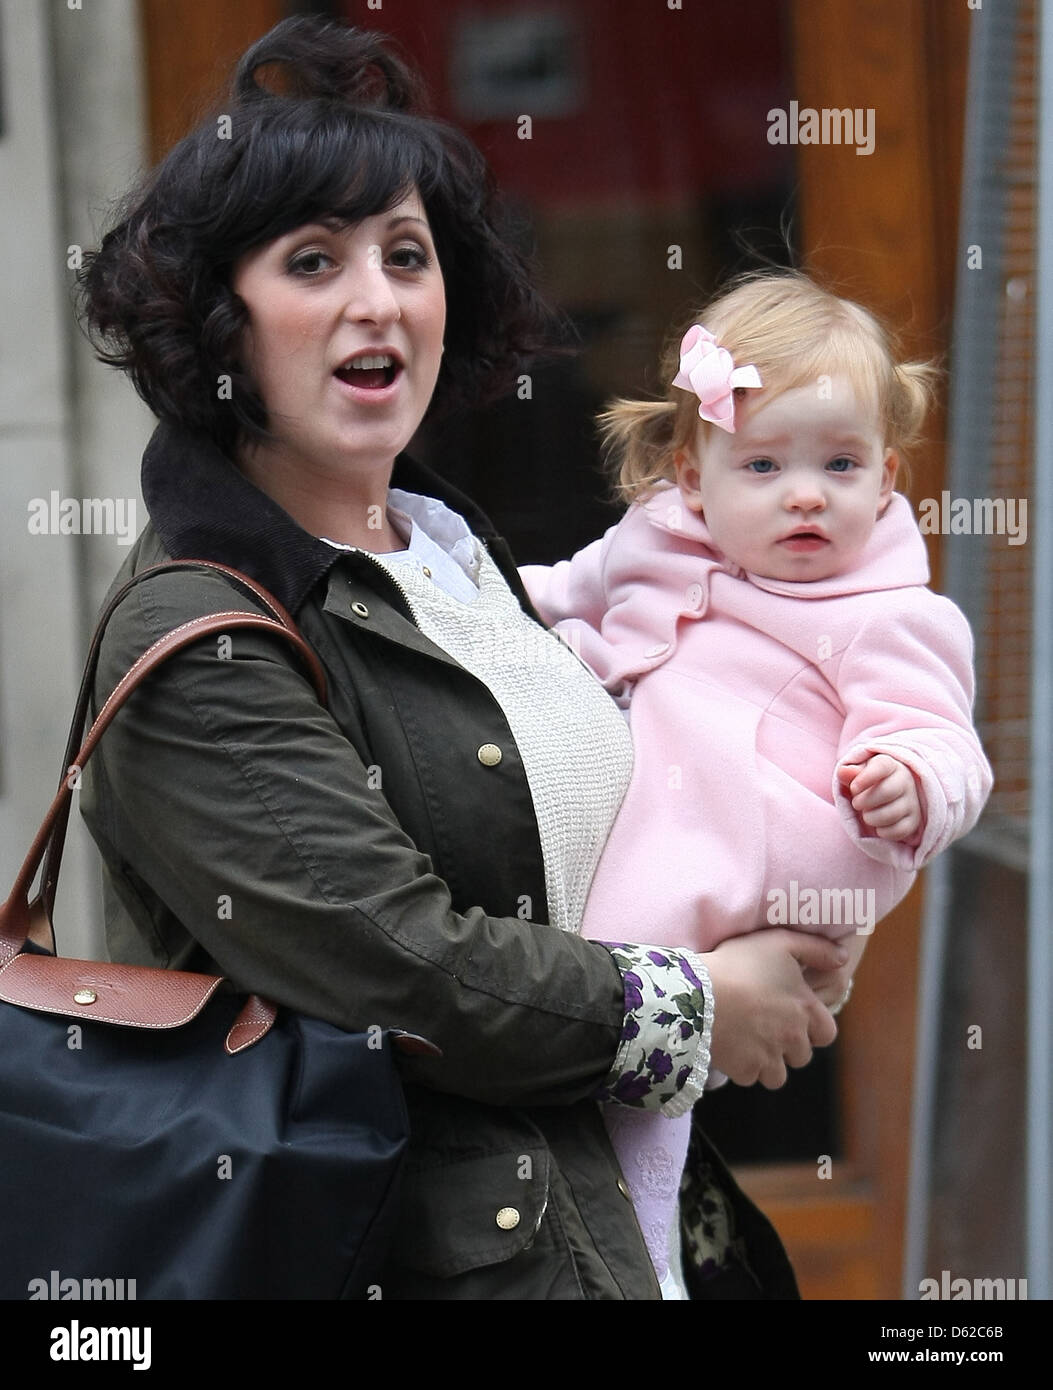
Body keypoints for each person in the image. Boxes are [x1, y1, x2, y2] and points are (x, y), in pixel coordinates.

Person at [75, 18, 847, 1300]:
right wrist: (701, 1008)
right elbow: (402, 963)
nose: (376, 297)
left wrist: (801, 898)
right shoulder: (197, 636)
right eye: (313, 261)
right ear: (218, 322)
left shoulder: (454, 558)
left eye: (407, 254)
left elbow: (618, 832)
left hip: (633, 1237)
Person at [520, 271, 994, 1291]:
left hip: (768, 869)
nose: (807, 492)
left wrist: (910, 781)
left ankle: (642, 1271)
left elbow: (951, 747)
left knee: (631, 1099)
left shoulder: (890, 615)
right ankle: (633, 1260)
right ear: (694, 478)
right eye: (766, 464)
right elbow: (551, 594)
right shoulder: (650, 537)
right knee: (614, 1094)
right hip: (663, 864)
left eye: (840, 462)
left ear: (888, 477)